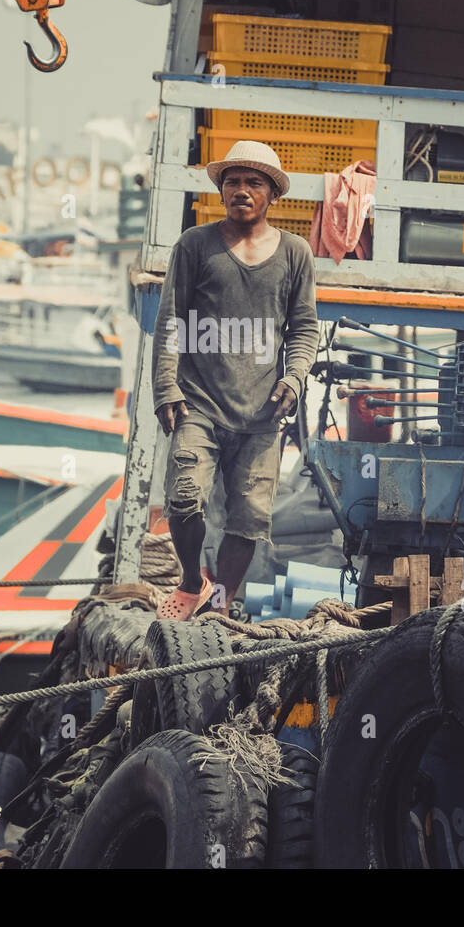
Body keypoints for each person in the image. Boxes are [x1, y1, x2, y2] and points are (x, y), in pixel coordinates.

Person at [152, 140, 319, 620]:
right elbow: (170, 322)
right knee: (184, 500)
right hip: (197, 402)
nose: (241, 190)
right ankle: (190, 583)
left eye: (253, 183)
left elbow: (305, 327)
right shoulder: (194, 245)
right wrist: (166, 386)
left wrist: (295, 377)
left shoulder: (295, 253)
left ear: (272, 194)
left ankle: (220, 604)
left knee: (249, 521)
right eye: (232, 182)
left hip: (262, 412)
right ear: (221, 190)